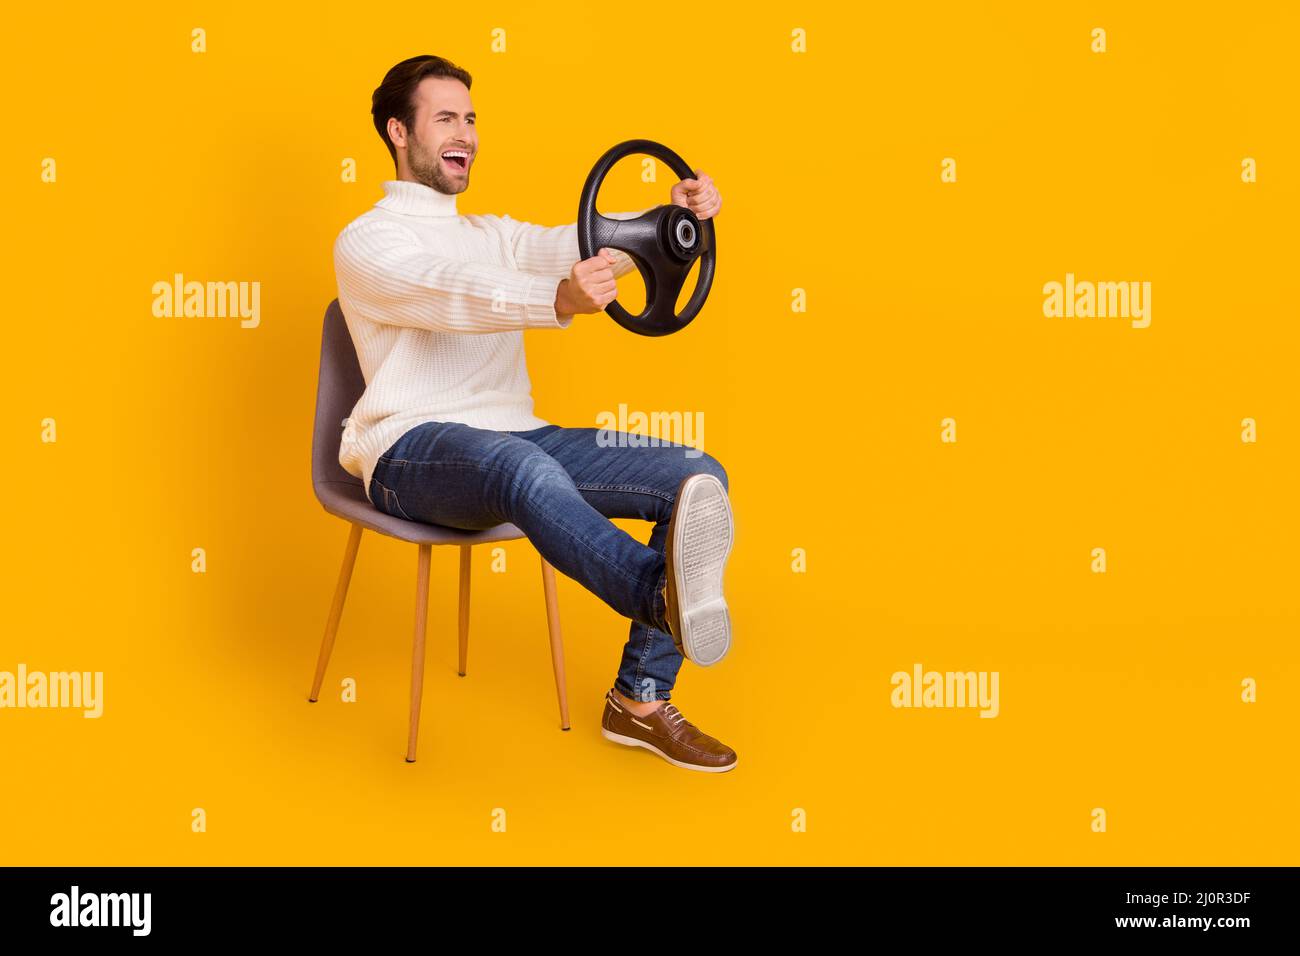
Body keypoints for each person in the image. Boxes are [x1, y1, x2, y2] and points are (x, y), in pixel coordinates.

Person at [332, 55, 737, 772]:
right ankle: (659, 594)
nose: (468, 133)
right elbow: (447, 289)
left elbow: (577, 243)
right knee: (519, 464)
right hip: (407, 450)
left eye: (472, 117)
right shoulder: (367, 241)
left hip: (520, 436)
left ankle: (639, 700)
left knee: (694, 472)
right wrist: (552, 299)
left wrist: (670, 220)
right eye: (447, 117)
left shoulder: (494, 233)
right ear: (399, 131)